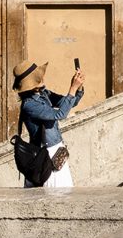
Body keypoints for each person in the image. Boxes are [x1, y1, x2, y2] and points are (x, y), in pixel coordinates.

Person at [12, 57, 85, 188]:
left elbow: (67, 103)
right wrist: (72, 88)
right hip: (45, 154)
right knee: (54, 194)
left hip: (56, 150)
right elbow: (60, 114)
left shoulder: (44, 93)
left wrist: (78, 88)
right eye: (39, 76)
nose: (43, 77)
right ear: (35, 81)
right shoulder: (29, 105)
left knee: (65, 192)